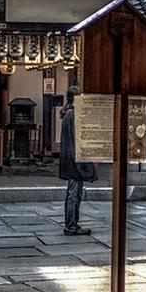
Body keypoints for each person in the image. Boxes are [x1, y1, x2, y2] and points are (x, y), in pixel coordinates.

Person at [58, 87, 97, 235]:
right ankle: (71, 225)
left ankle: (73, 223)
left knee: (74, 192)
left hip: (70, 156)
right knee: (74, 193)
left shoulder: (68, 114)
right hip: (75, 158)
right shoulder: (73, 115)